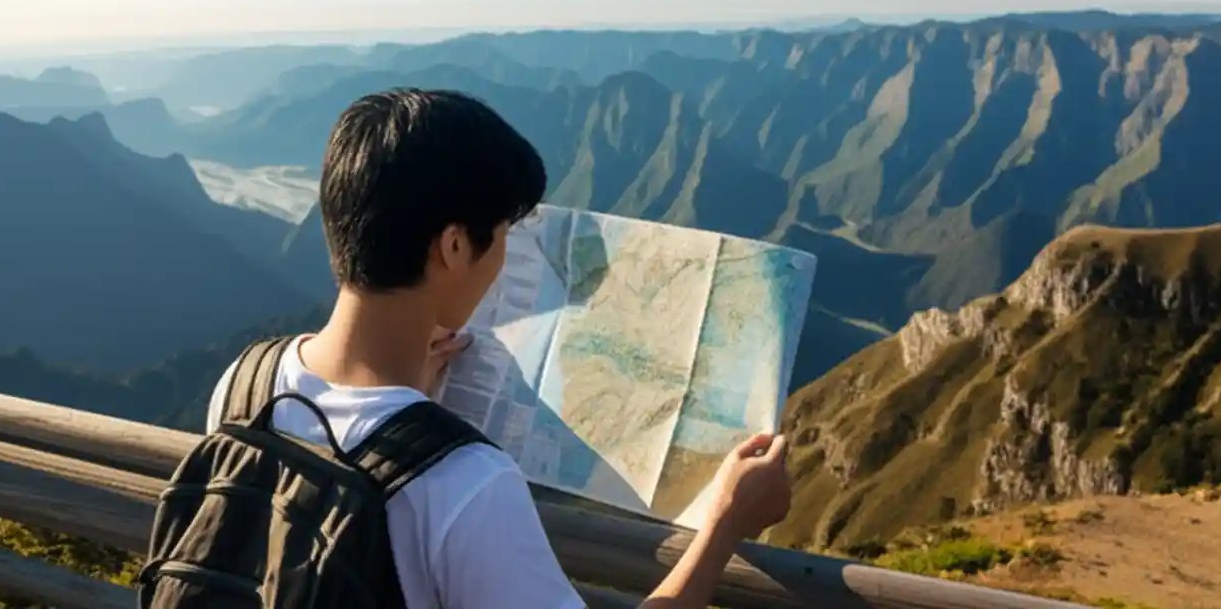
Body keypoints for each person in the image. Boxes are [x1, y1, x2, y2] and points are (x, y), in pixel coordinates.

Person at [202, 89, 792, 608]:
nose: (506, 257)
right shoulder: (465, 482)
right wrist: (723, 524)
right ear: (455, 246)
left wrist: (406, 404)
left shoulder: (243, 384)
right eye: (505, 235)